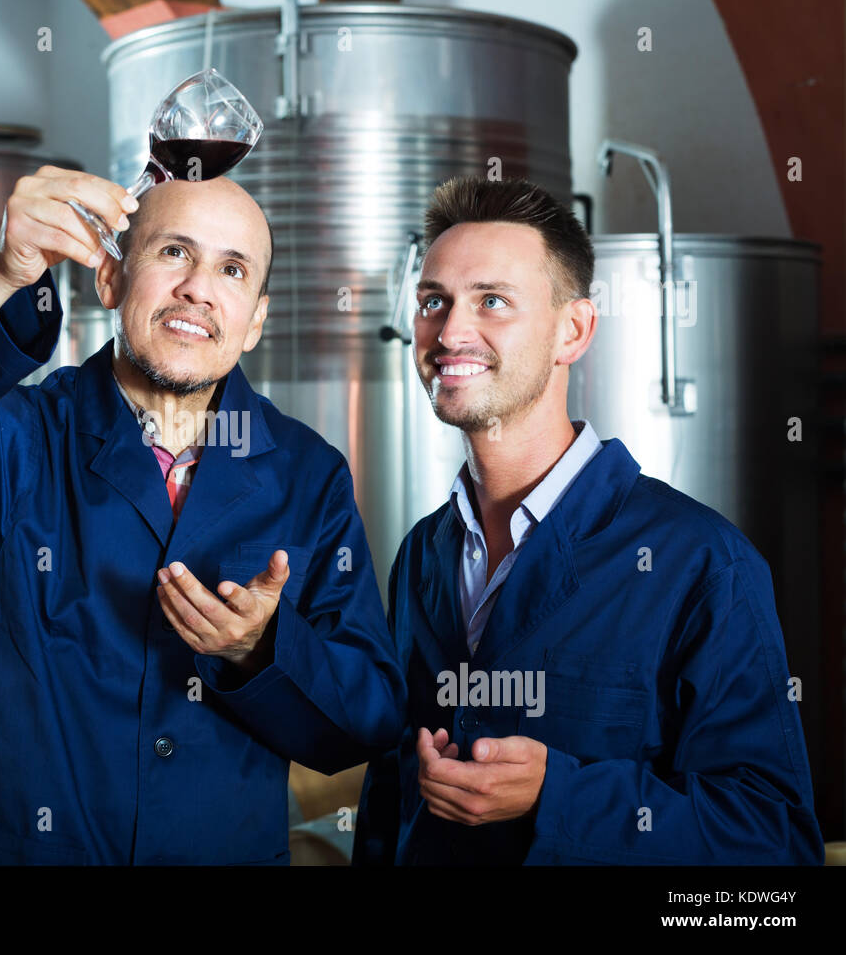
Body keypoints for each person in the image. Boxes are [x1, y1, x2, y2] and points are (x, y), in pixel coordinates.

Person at [0, 165, 404, 864]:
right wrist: (5, 274)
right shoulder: (18, 440)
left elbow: (367, 720)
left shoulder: (308, 475)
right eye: (174, 252)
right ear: (109, 279)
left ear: (255, 323)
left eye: (233, 270)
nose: (198, 289)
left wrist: (261, 650)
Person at [353, 175, 823, 865]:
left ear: (572, 331)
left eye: (492, 301)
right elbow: (390, 794)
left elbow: (776, 844)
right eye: (433, 301)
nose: (451, 331)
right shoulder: (424, 553)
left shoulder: (700, 562)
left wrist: (559, 795)